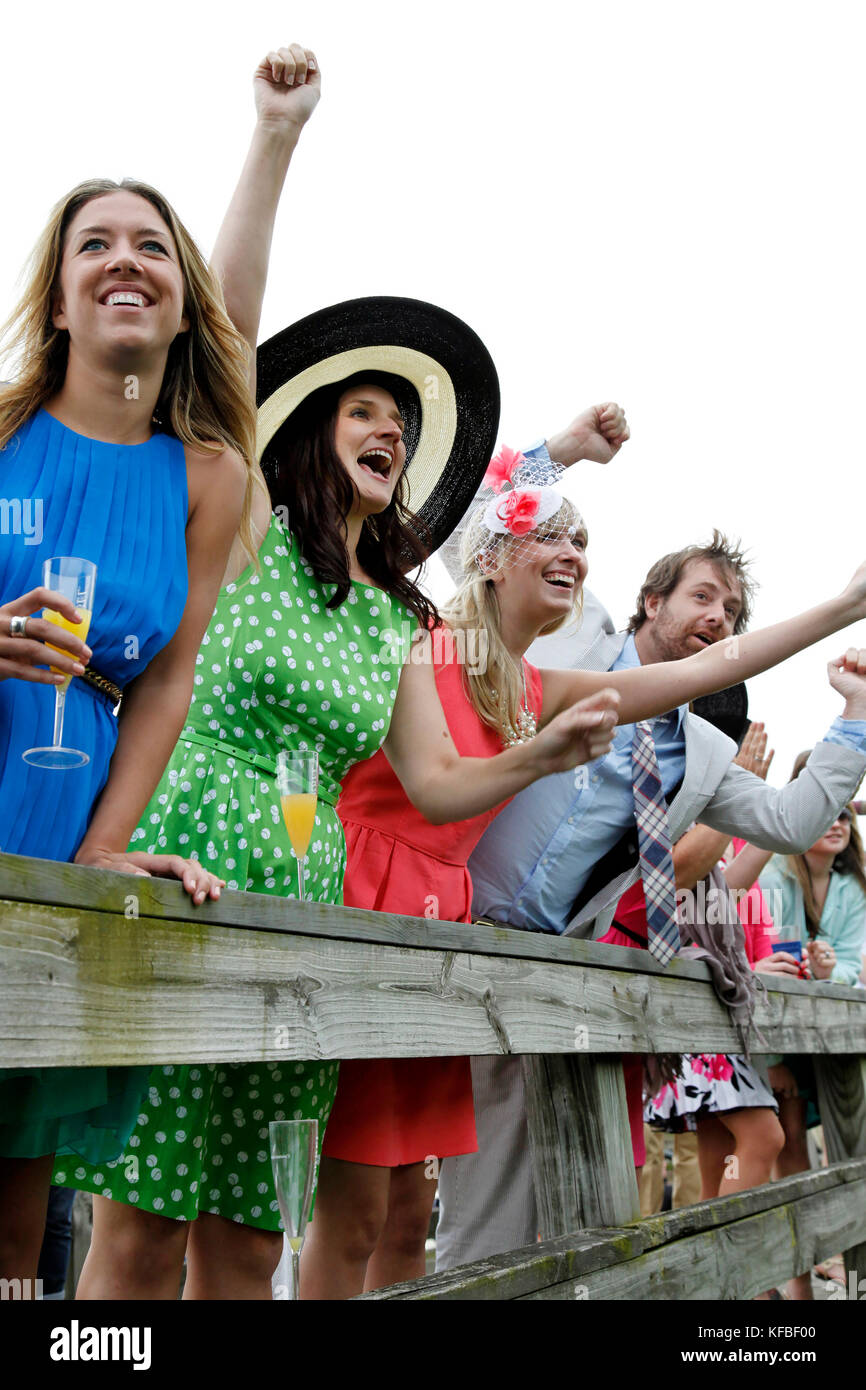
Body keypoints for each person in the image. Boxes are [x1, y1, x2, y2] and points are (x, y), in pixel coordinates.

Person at [61, 48, 624, 1301]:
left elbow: (432, 784)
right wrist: (275, 135)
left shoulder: (400, 614)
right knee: (141, 1233)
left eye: (401, 421)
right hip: (192, 862)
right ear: (309, 430)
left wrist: (542, 751)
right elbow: (228, 338)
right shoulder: (246, 529)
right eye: (362, 408)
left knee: (253, 1243)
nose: (386, 428)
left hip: (308, 909)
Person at [434, 536, 866, 1271]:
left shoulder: (700, 750)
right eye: (702, 596)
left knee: (559, 1210)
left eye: (731, 611)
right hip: (442, 924)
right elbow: (479, 538)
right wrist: (562, 453)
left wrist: (854, 713)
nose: (717, 617)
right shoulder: (576, 636)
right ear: (651, 600)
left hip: (550, 968)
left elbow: (792, 820)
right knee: (410, 1197)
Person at [302, 415, 630, 1299]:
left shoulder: (530, 683)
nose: (568, 557)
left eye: (577, 544)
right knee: (354, 1205)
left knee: (411, 1207)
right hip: (368, 901)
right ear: (492, 556)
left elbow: (673, 681)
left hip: (443, 927)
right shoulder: (429, 636)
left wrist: (839, 609)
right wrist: (564, 448)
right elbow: (474, 511)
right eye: (546, 538)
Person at [0, 163, 254, 1280]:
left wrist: (108, 841)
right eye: (94, 244)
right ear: (57, 300)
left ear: (184, 298)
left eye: (150, 245)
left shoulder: (208, 476)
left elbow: (166, 677)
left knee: (15, 1183)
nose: (124, 262)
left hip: (67, 793)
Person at [758, 760, 866, 1298]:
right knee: (790, 1145)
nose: (837, 820)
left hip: (834, 1036)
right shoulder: (774, 874)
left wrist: (830, 970)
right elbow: (772, 953)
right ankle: (797, 1289)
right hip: (778, 1033)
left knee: (850, 1142)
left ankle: (847, 1271)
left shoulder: (852, 887)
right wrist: (813, 966)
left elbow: (853, 962)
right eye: (826, 810)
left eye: (846, 811)